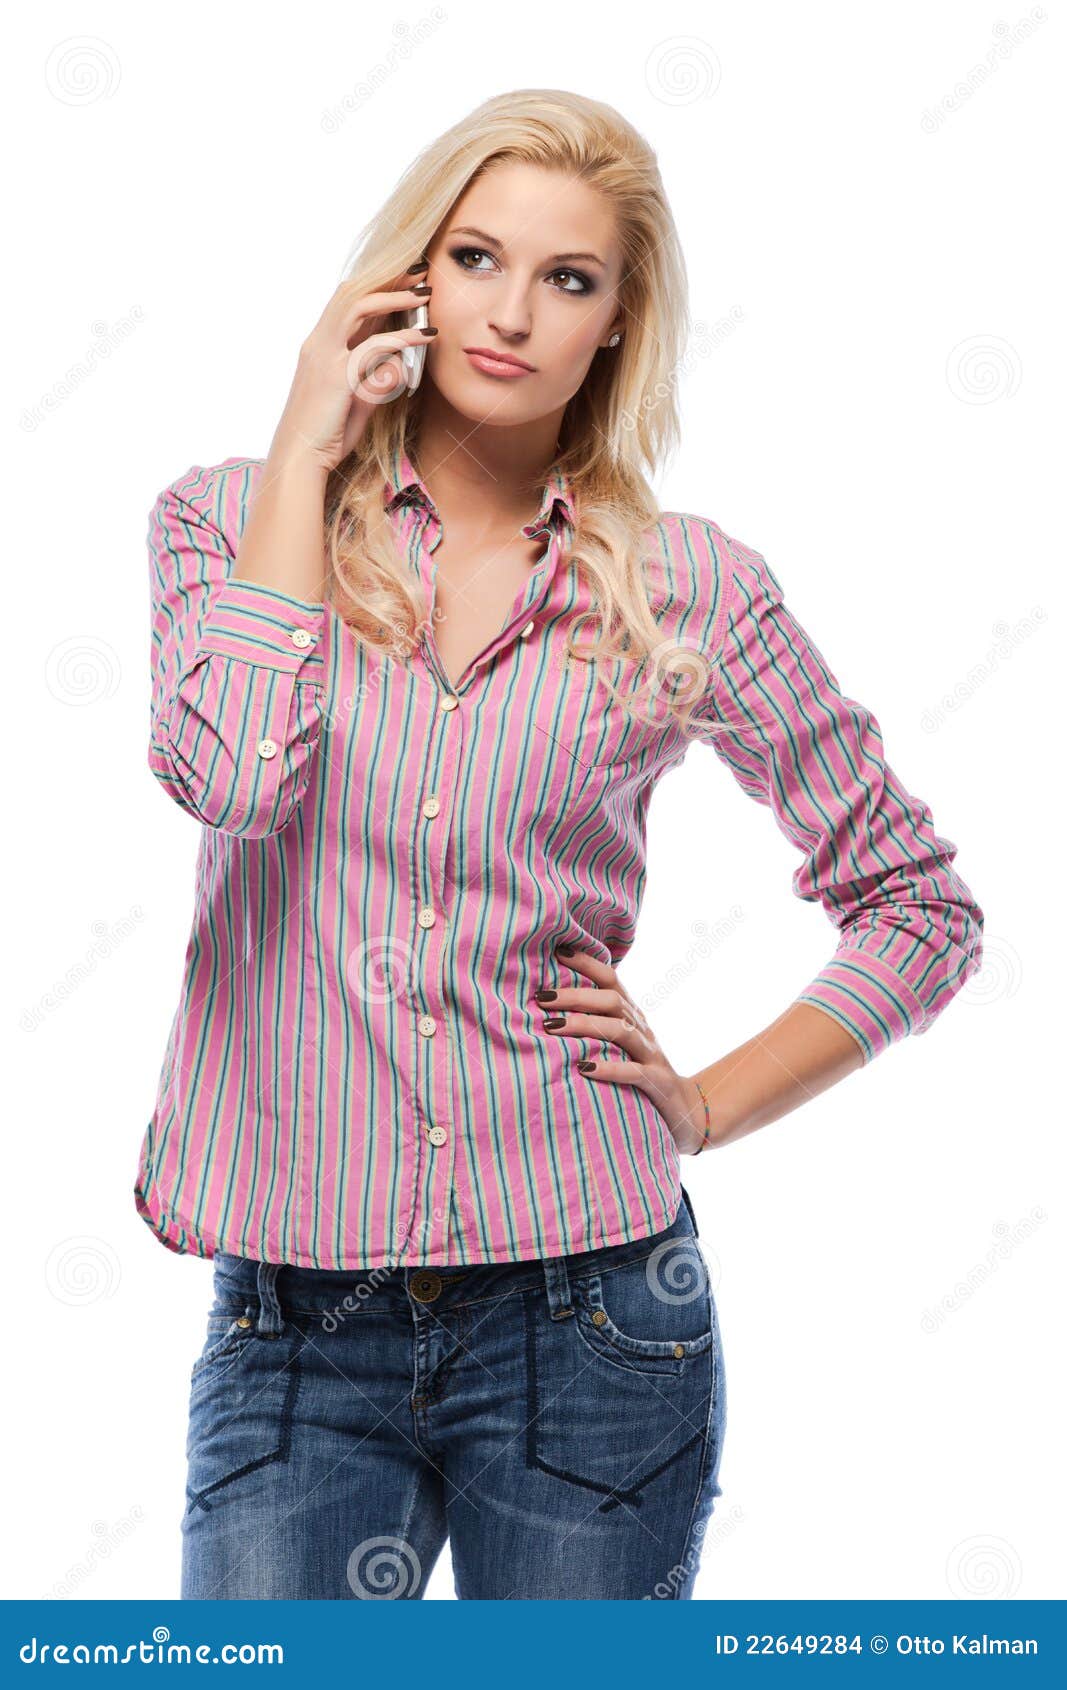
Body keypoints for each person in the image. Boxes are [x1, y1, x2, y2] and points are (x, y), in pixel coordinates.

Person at [136, 89, 984, 1600]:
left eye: (569, 279)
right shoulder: (227, 525)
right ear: (406, 275)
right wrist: (299, 444)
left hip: (593, 1319)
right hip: (296, 1327)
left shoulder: (686, 588)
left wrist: (707, 1105)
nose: (512, 311)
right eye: (475, 257)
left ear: (618, 323)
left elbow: (918, 906)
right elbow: (230, 778)